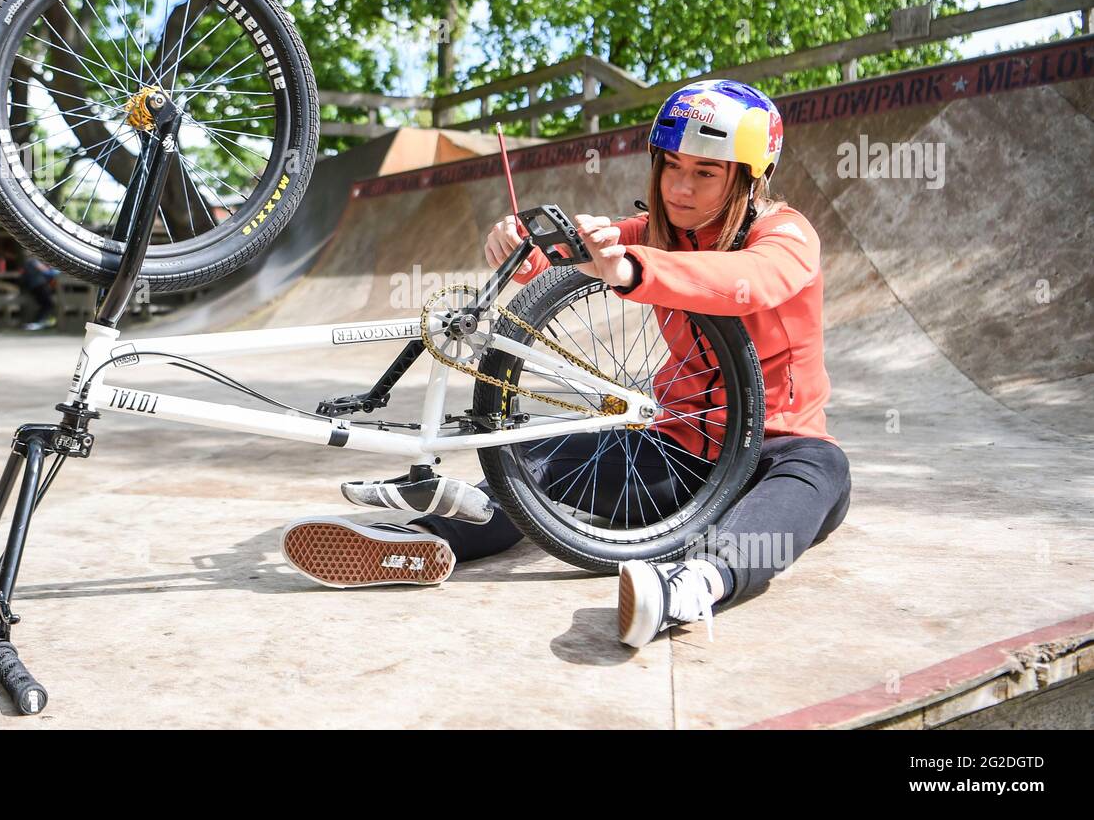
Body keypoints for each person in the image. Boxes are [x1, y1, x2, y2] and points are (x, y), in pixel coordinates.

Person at [282, 79, 851, 647]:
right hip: (678, 458)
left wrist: (633, 270)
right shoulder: (656, 232)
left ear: (750, 179)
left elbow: (753, 280)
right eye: (671, 165)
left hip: (778, 449)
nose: (680, 187)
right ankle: (424, 540)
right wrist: (518, 246)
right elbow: (574, 249)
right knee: (530, 462)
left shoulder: (785, 233)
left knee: (825, 473)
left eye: (705, 173)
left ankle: (689, 589)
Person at [18, 253, 59, 330]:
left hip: (35, 287)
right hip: (38, 286)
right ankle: (37, 323)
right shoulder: (33, 261)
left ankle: (39, 322)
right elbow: (47, 272)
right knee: (48, 304)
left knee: (46, 304)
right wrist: (59, 271)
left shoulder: (30, 261)